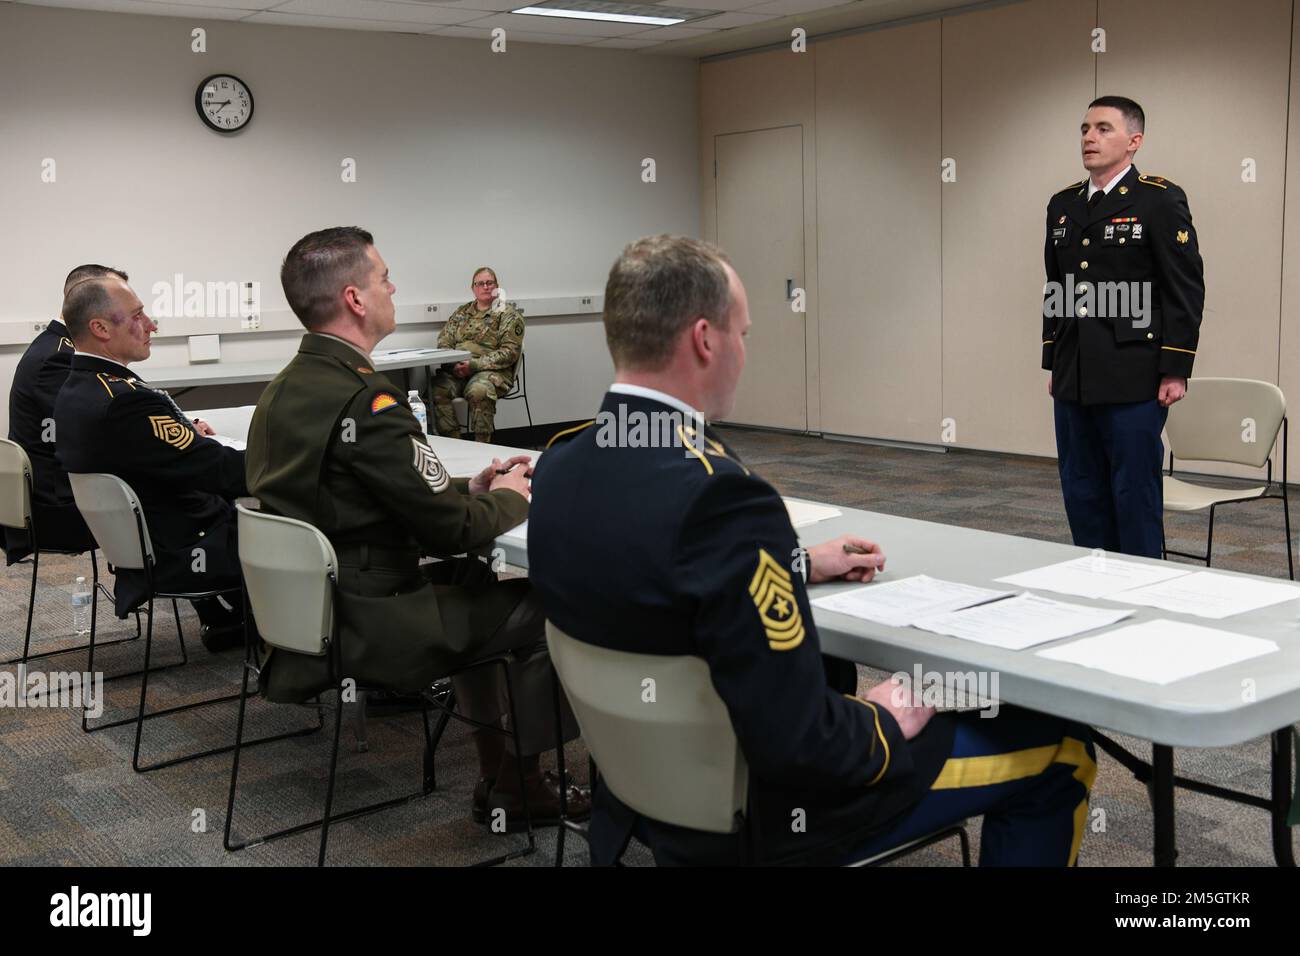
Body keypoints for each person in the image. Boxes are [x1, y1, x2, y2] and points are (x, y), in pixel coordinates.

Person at [529, 235, 1096, 866]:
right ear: (704, 340)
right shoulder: (722, 495)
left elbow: (648, 571)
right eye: (743, 334)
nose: (745, 353)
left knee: (834, 670)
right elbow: (801, 742)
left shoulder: (560, 464)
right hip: (760, 815)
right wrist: (884, 717)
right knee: (1059, 746)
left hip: (645, 794)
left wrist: (795, 563)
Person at [246, 227, 586, 827]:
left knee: (471, 583)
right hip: (370, 621)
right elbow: (454, 531)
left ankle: (502, 778)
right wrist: (513, 497)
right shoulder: (370, 402)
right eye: (383, 277)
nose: (393, 286)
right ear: (354, 298)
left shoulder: (283, 390)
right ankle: (521, 784)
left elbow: (352, 495)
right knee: (547, 602)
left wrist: (468, 486)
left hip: (308, 616)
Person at [1043, 95, 1205, 557]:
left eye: (1103, 128)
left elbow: (1185, 287)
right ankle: (1094, 585)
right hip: (1075, 373)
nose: (1089, 137)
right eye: (1084, 129)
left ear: (1134, 141)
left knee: (1133, 493)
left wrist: (1176, 367)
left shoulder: (1158, 199)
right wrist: (1055, 359)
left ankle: (1143, 590)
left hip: (1135, 372)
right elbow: (1056, 287)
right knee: (1081, 489)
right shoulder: (1062, 204)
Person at [52, 273, 245, 649]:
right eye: (137, 315)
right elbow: (217, 471)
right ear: (100, 328)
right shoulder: (125, 400)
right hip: (185, 550)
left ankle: (235, 622)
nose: (151, 324)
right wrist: (290, 463)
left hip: (142, 548)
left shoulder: (76, 391)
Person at [3, 264, 124, 565]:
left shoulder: (62, 347)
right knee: (171, 493)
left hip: (60, 494)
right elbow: (95, 428)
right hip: (56, 509)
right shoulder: (57, 357)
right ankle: (201, 592)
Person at [431, 267, 524, 443]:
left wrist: (473, 365)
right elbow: (444, 341)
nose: (485, 287)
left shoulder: (508, 315)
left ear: (497, 286)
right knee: (436, 389)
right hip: (457, 370)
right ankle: (454, 443)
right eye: (480, 283)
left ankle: (483, 447)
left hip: (490, 372)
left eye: (490, 283)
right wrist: (454, 365)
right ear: (473, 288)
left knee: (479, 391)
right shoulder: (461, 313)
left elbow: (509, 352)